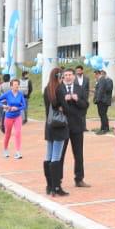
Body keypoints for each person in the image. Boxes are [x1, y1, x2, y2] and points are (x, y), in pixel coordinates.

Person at [57, 68, 91, 187]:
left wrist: (77, 100)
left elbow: (85, 105)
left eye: (70, 75)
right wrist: (63, 101)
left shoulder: (79, 89)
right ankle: (58, 179)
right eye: (65, 75)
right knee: (60, 154)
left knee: (78, 154)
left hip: (77, 125)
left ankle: (79, 178)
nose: (68, 77)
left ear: (74, 76)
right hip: (62, 125)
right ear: (63, 77)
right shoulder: (59, 89)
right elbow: (55, 105)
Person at [42, 68, 70, 197]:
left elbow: (51, 107)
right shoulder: (60, 89)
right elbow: (66, 108)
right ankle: (56, 187)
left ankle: (49, 186)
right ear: (59, 76)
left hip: (49, 125)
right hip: (59, 126)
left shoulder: (47, 89)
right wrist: (65, 105)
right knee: (56, 158)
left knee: (48, 156)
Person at [0, 77, 26, 159]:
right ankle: (5, 150)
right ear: (11, 86)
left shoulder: (20, 94)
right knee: (7, 134)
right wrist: (3, 106)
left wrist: (18, 108)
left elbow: (24, 105)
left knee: (18, 133)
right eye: (15, 85)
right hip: (8, 116)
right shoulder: (8, 94)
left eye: (18, 85)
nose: (17, 86)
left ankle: (18, 152)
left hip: (17, 116)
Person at [93, 68, 114, 134]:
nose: (95, 77)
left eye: (95, 75)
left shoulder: (102, 80)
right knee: (102, 114)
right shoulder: (101, 80)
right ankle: (103, 128)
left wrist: (97, 99)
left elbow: (101, 90)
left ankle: (104, 129)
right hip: (102, 100)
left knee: (103, 114)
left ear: (98, 74)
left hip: (103, 100)